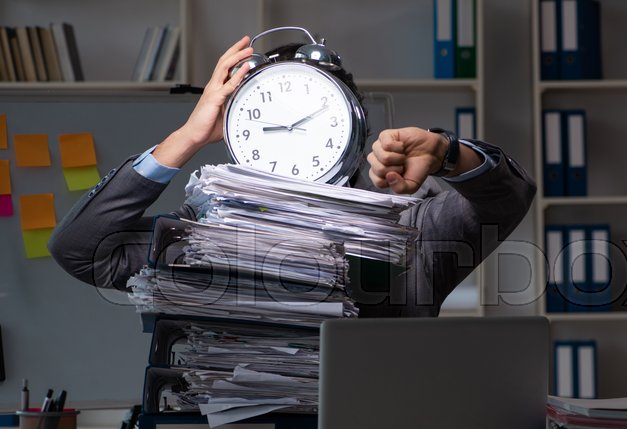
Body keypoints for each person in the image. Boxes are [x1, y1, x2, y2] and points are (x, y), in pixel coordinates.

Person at [48, 36, 536, 317]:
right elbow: (80, 251)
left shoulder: (409, 225)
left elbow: (505, 202)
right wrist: (187, 137)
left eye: (312, 114)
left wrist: (449, 153)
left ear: (352, 120)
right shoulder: (203, 236)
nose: (291, 132)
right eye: (266, 115)